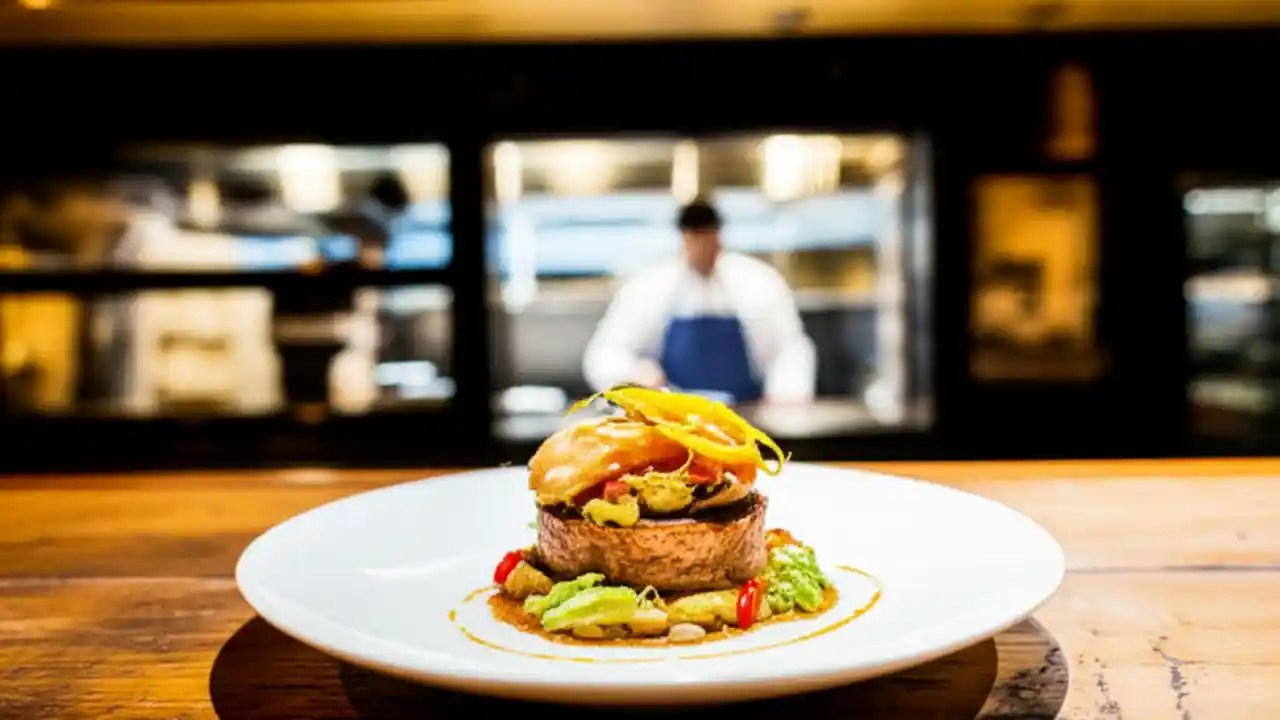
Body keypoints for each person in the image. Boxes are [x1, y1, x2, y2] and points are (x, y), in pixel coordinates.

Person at [582, 198, 816, 404]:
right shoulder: (649, 286)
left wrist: (785, 394)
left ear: (719, 238)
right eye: (696, 241)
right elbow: (604, 355)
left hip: (747, 419)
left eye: (710, 240)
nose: (704, 249)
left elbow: (790, 349)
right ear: (684, 240)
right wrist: (635, 372)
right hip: (676, 424)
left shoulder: (760, 282)